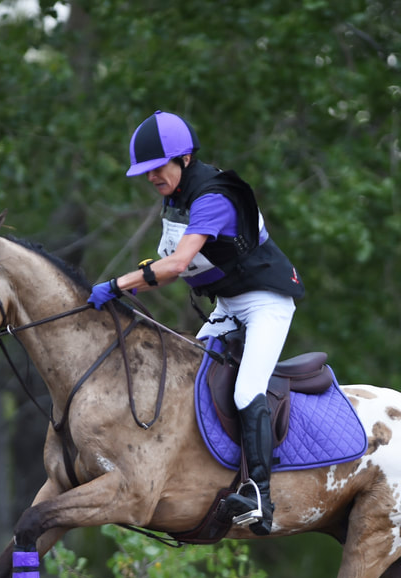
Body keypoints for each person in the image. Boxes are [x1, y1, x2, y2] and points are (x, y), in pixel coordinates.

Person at [87, 110, 304, 535]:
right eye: (146, 171)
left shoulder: (212, 198)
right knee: (187, 378)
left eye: (158, 168)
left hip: (266, 303)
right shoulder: (177, 198)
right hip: (229, 304)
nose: (151, 177)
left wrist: (117, 284)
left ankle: (260, 496)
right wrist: (131, 286)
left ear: (185, 159)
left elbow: (177, 264)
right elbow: (171, 267)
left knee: (247, 390)